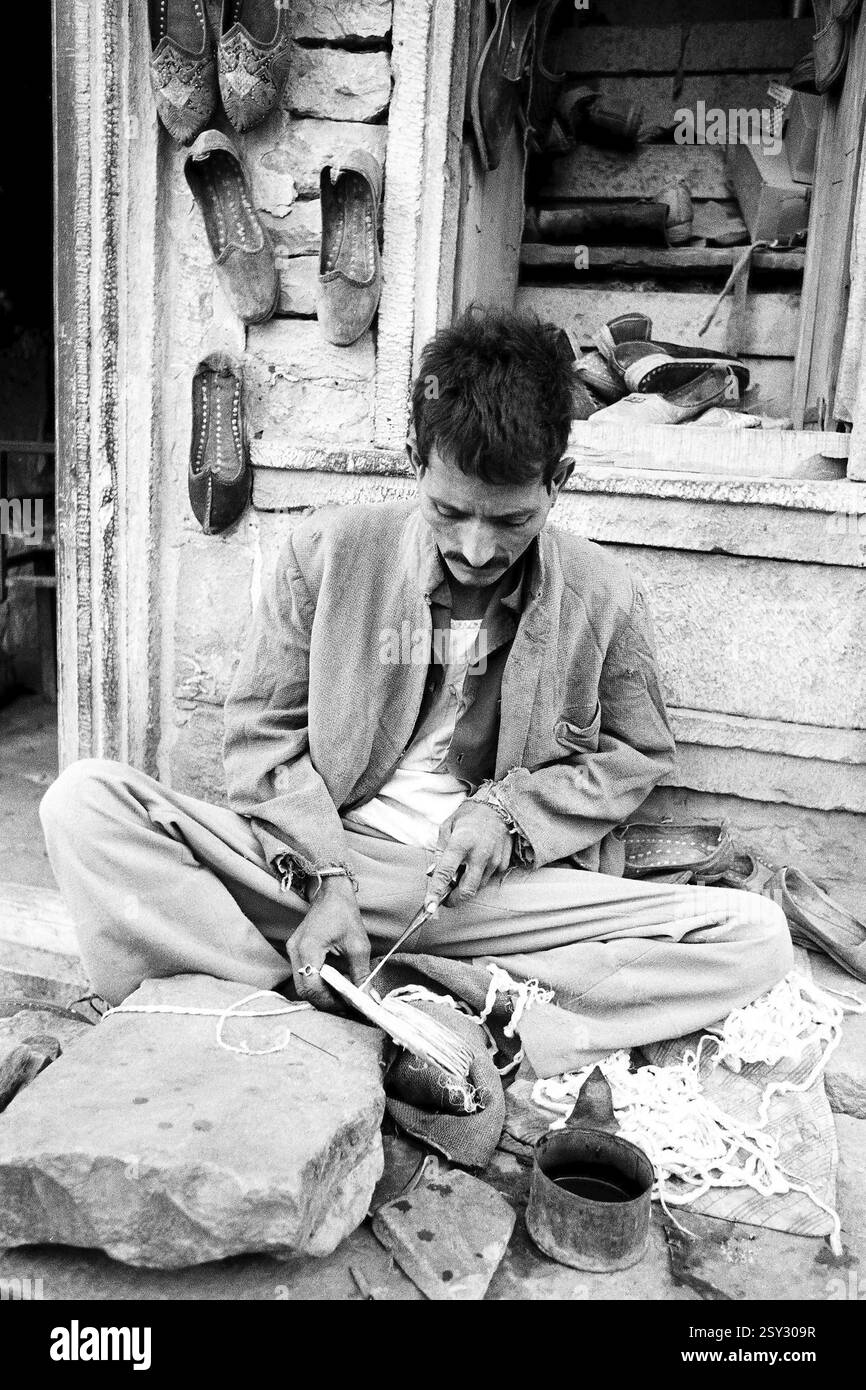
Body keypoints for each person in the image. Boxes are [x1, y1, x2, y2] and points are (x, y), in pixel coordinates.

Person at [40, 309, 792, 1076]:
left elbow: (637, 756)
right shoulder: (325, 554)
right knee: (82, 803)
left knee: (754, 935)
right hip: (317, 870)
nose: (476, 549)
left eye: (511, 520)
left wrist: (511, 814)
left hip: (492, 897)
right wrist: (328, 877)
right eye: (450, 511)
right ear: (413, 460)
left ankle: (363, 996)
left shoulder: (606, 596)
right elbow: (262, 741)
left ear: (558, 483)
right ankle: (414, 1008)